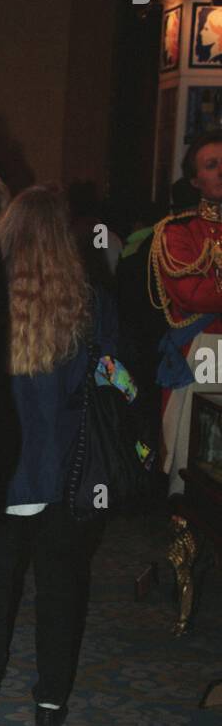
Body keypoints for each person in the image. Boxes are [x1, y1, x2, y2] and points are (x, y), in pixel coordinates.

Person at [0, 185, 117, 726]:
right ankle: (50, 701)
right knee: (60, 586)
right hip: (66, 469)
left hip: (1, 467)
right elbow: (114, 381)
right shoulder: (93, 302)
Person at [149, 129, 222, 493]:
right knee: (199, 456)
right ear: (196, 181)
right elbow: (192, 294)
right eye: (212, 165)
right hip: (205, 351)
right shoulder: (178, 232)